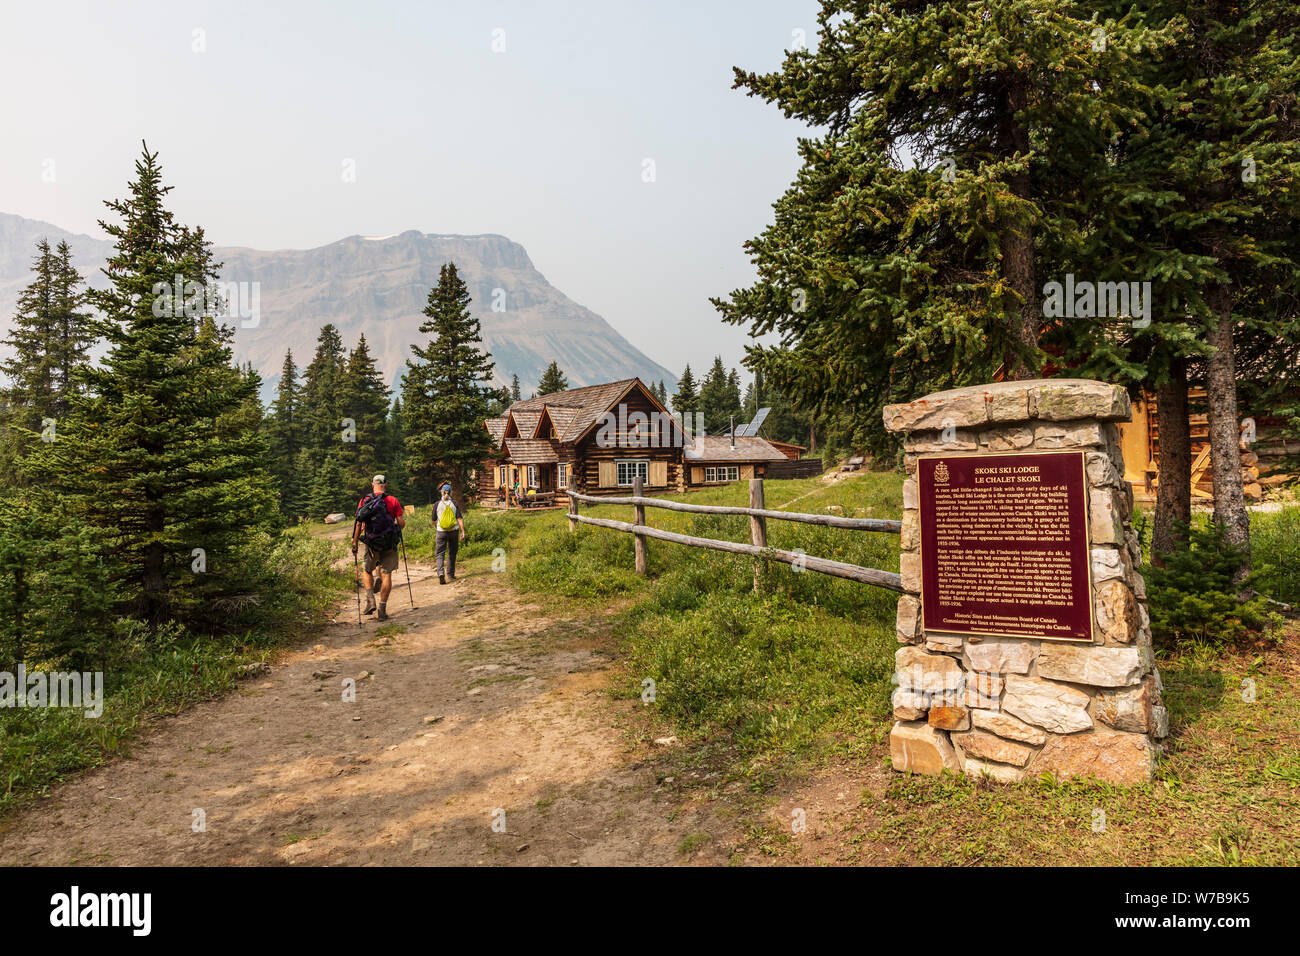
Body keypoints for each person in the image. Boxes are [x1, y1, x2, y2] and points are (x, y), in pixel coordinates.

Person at [352, 474, 405, 621]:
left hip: (372, 543)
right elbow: (401, 523)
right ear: (385, 485)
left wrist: (355, 542)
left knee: (367, 570)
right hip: (389, 543)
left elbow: (358, 523)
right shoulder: (393, 500)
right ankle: (382, 609)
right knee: (386, 574)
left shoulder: (365, 500)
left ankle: (370, 600)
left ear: (372, 485)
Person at [433, 482, 467, 584]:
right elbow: (459, 518)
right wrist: (462, 531)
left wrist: (437, 528)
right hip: (453, 531)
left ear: (441, 492)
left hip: (441, 532)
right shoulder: (455, 504)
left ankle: (440, 573)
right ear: (450, 492)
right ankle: (451, 575)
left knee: (439, 553)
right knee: (452, 552)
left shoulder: (437, 504)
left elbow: (433, 520)